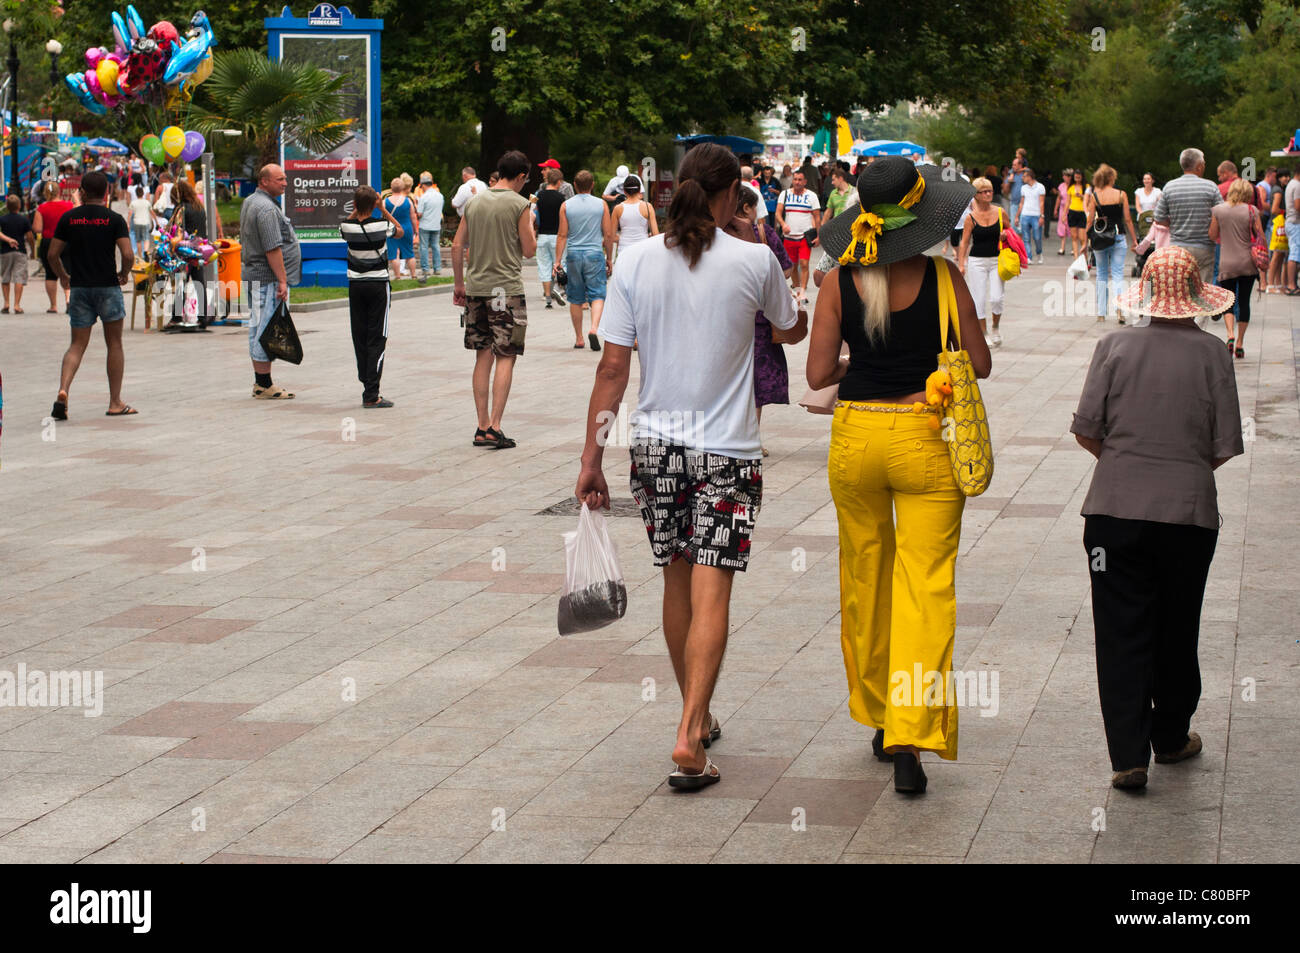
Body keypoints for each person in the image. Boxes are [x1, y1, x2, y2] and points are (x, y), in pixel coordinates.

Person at [576, 142, 801, 791]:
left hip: (656, 451)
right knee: (714, 588)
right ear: (731, 194)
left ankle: (692, 717)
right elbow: (789, 330)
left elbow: (612, 369)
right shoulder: (755, 259)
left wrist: (592, 456)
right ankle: (690, 730)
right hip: (727, 452)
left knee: (677, 584)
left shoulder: (637, 263)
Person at [808, 156, 989, 795]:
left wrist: (862, 358)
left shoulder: (838, 280)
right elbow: (980, 362)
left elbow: (816, 373)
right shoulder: (944, 277)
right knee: (926, 586)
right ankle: (912, 734)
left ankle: (883, 716)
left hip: (855, 436)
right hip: (926, 440)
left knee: (866, 577)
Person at [1072, 246, 1243, 792]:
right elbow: (1224, 445)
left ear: (1144, 298)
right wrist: (1178, 470)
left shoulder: (1112, 346)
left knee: (1119, 631)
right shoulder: (1215, 355)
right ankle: (1170, 737)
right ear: (1196, 299)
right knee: (1177, 624)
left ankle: (1128, 756)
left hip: (1111, 516)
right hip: (1188, 516)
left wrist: (1129, 468)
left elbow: (1086, 430)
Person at [451, 150, 535, 450]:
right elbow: (528, 250)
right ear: (522, 176)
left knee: (482, 354)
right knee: (506, 355)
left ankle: (481, 424)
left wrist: (459, 284)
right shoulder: (521, 203)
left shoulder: (474, 202)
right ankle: (496, 427)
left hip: (476, 287)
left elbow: (458, 244)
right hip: (506, 290)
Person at [46, 170, 135, 420]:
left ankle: (63, 390)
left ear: (82, 192)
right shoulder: (114, 219)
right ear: (106, 192)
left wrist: (63, 276)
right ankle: (115, 402)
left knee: (76, 345)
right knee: (114, 343)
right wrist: (124, 273)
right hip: (107, 286)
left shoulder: (69, 219)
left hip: (81, 288)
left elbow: (52, 254)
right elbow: (128, 254)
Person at [726, 185, 800, 457]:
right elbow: (788, 269)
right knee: (755, 381)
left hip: (725, 320)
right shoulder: (762, 235)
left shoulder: (717, 235)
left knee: (728, 378)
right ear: (746, 207)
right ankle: (750, 438)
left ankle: (726, 435)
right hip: (759, 321)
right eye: (755, 206)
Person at [240, 164, 301, 400]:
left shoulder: (251, 201)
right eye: (279, 179)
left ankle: (262, 382)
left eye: (285, 178)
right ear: (264, 181)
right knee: (265, 329)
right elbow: (272, 249)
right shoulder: (265, 209)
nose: (285, 183)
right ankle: (263, 384)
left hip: (257, 277)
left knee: (259, 326)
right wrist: (282, 281)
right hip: (266, 279)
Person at [341, 185, 405, 408]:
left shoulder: (346, 227)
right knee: (377, 336)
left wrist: (357, 210)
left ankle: (365, 380)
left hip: (355, 286)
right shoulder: (381, 225)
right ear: (374, 204)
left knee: (359, 334)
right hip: (378, 285)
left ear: (356, 204)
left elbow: (345, 226)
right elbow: (400, 231)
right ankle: (372, 393)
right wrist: (382, 208)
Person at [555, 170, 614, 351]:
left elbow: (562, 235)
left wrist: (557, 261)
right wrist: (609, 258)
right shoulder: (601, 204)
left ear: (574, 184)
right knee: (597, 294)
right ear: (593, 185)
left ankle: (579, 338)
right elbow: (608, 234)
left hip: (573, 254)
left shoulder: (566, 205)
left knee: (575, 297)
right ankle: (594, 328)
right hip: (594, 254)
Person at [1153, 148, 1222, 296]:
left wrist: (1172, 224)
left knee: (1181, 291)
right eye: (1203, 163)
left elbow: (1158, 217)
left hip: (1178, 247)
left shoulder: (1170, 187)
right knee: (1203, 291)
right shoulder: (1211, 187)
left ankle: (1184, 319)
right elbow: (1221, 214)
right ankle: (1199, 319)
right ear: (1198, 166)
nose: (1204, 166)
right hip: (1204, 247)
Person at [1209, 178, 1262, 359]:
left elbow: (1212, 235)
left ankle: (1230, 334)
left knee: (1229, 301)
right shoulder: (1252, 210)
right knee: (1244, 301)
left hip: (1226, 262)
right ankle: (1240, 343)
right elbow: (1260, 236)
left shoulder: (1218, 210)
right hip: (1247, 263)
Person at [1085, 163, 1138, 324]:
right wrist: (1135, 240)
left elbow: (1089, 219)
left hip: (1100, 238)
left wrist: (1086, 240)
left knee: (1101, 274)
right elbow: (1128, 219)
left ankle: (1101, 313)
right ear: (1111, 177)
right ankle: (1120, 309)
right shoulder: (1121, 194)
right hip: (1118, 236)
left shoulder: (1095, 196)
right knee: (1117, 274)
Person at [958, 177, 1007, 346]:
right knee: (978, 299)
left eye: (990, 191)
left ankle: (996, 327)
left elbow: (1011, 232)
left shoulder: (1000, 212)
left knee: (996, 298)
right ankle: (984, 333)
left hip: (997, 260)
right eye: (984, 191)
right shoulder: (970, 217)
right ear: (976, 195)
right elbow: (964, 242)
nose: (988, 194)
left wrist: (1006, 235)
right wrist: (961, 264)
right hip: (977, 261)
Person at [776, 170, 821, 301]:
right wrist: (783, 224)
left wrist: (819, 236)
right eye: (795, 179)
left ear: (805, 182)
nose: (797, 182)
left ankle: (803, 291)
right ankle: (796, 289)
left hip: (804, 237)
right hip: (789, 237)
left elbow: (817, 217)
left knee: (804, 263)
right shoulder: (784, 195)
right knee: (793, 265)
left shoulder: (811, 196)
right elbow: (778, 213)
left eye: (800, 180)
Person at [33, 182, 74, 314]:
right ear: (59, 192)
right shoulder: (68, 206)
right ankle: (68, 300)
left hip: (48, 242)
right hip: (66, 242)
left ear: (45, 192)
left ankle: (53, 305)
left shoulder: (41, 208)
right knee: (67, 271)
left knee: (50, 274)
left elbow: (37, 228)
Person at [532, 167, 565, 309]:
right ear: (558, 182)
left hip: (542, 235)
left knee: (544, 266)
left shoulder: (538, 195)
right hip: (557, 236)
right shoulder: (561, 198)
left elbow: (530, 211)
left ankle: (547, 299)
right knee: (560, 264)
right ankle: (558, 289)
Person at [0, 195, 34, 313]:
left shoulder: (2, 219)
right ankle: (16, 305)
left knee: (5, 277)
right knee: (19, 277)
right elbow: (30, 236)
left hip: (5, 251)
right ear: (19, 206)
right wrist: (33, 251)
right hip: (20, 251)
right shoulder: (24, 220)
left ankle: (6, 303)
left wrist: (7, 239)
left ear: (7, 206)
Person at [612, 173, 658, 257]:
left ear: (624, 191)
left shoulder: (617, 209)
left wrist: (624, 239)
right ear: (640, 190)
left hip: (624, 250)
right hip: (643, 250)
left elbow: (612, 236)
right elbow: (655, 234)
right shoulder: (648, 207)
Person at [383, 178, 418, 283]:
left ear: (391, 188)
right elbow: (413, 217)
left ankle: (397, 277)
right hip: (406, 228)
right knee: (409, 253)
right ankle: (413, 275)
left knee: (394, 254)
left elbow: (383, 216)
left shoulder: (385, 201)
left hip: (392, 229)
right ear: (402, 188)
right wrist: (415, 230)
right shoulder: (408, 201)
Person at [415, 175, 444, 281]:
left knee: (423, 247)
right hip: (436, 225)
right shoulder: (440, 196)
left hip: (425, 225)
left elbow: (420, 214)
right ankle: (437, 268)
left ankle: (425, 269)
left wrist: (416, 206)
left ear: (423, 185)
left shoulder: (423, 197)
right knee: (436, 246)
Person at [1016, 167, 1047, 264]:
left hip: (1036, 215)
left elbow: (1042, 202)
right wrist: (1017, 216)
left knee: (1037, 237)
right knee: (1026, 237)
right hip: (1025, 215)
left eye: (1024, 176)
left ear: (1030, 177)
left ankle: (1039, 253)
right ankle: (1028, 256)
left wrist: (1042, 216)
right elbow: (1021, 203)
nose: (1022, 178)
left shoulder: (1040, 187)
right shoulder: (1023, 188)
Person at [1267, 169, 1291, 293]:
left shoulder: (1278, 189)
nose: (1286, 178)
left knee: (1280, 255)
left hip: (1277, 225)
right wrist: (1286, 212)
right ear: (1279, 177)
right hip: (1277, 225)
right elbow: (1274, 209)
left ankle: (1277, 284)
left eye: (1287, 176)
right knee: (1276, 255)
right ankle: (1271, 284)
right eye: (1283, 176)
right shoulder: (1278, 191)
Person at [1284, 163, 1300, 295]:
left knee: (1294, 253)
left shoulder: (1291, 184)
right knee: (1294, 254)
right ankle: (1291, 285)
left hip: (1291, 222)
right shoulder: (1297, 185)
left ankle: (1291, 283)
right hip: (1295, 223)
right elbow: (1298, 205)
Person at [1066, 169, 1089, 260]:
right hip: (1072, 212)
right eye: (1076, 176)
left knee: (1082, 237)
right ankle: (1076, 257)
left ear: (1082, 177)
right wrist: (1064, 214)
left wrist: (1082, 196)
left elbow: (1090, 200)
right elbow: (1068, 202)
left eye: (1079, 176)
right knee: (1074, 236)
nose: (1077, 178)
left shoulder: (1087, 187)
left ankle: (1084, 257)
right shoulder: (1071, 187)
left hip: (1083, 212)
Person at [127, 185, 155, 259]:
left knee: (138, 240)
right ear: (143, 193)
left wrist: (128, 223)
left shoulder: (133, 203)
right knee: (146, 239)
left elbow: (130, 213)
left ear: (136, 194)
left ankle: (140, 257)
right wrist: (156, 222)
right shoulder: (147, 202)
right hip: (145, 222)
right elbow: (152, 213)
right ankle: (145, 251)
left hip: (136, 222)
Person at [1002, 155, 1025, 227]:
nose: (1012, 166)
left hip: (1025, 205)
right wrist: (1009, 182)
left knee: (1023, 227)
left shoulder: (1026, 175)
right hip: (1014, 204)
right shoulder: (1010, 176)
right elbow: (1005, 191)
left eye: (1014, 165)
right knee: (1014, 226)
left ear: (1020, 165)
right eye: (1012, 165)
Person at [1053, 168, 1072, 255]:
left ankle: (1073, 247)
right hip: (1062, 208)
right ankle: (1062, 247)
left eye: (1065, 176)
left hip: (1071, 208)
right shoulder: (1061, 186)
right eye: (1063, 175)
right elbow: (1059, 198)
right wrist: (1056, 209)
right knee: (1062, 227)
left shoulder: (1073, 187)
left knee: (1071, 227)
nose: (1064, 177)